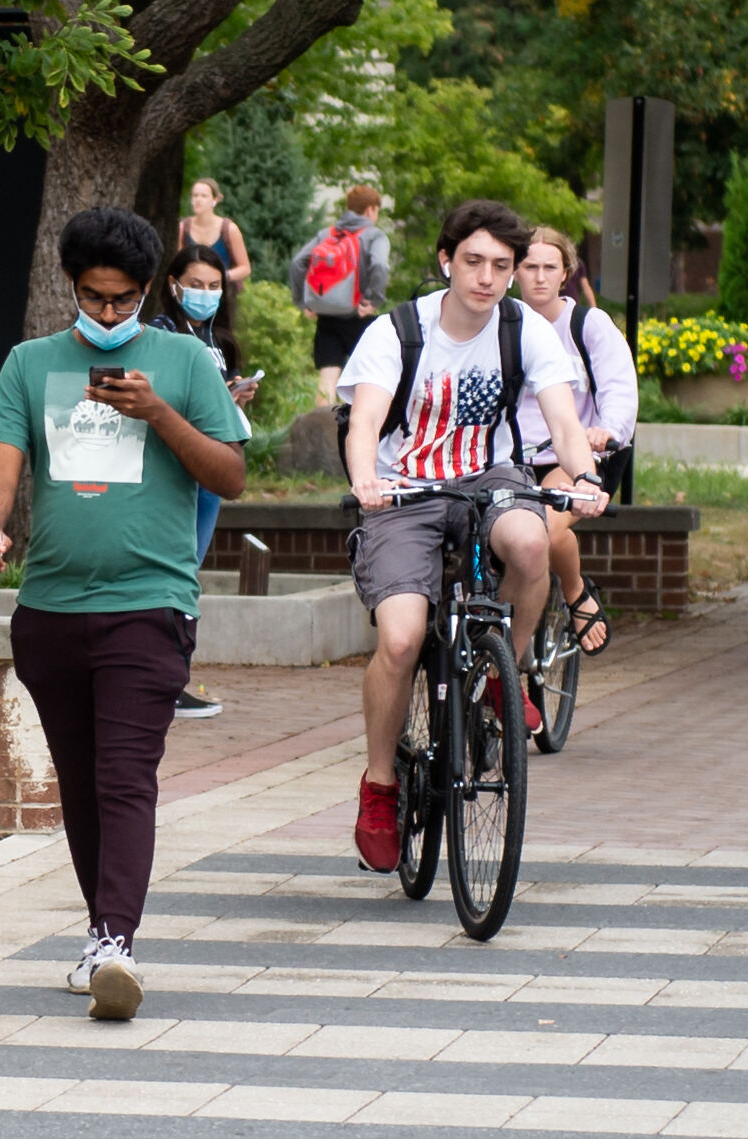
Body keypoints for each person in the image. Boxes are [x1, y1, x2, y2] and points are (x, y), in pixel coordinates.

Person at [0, 207, 247, 1019]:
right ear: (72, 286)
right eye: (93, 298)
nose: (107, 315)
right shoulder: (30, 363)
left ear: (148, 289)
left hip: (148, 604)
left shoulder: (186, 362)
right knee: (82, 785)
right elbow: (3, 455)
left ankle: (116, 942)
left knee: (126, 777)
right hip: (50, 607)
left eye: (123, 300)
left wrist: (158, 413)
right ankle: (102, 935)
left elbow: (228, 476)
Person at [339, 199, 607, 873]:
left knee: (530, 541)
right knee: (400, 637)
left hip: (488, 478)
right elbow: (364, 421)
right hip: (403, 489)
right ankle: (379, 785)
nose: (486, 278)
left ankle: (501, 671)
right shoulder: (398, 330)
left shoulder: (525, 330)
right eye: (473, 262)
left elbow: (564, 422)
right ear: (445, 260)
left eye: (500, 266)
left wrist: (583, 473)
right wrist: (365, 478)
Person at [513, 226, 638, 655]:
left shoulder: (588, 324)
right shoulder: (500, 324)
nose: (540, 277)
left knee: (543, 529)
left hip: (574, 454)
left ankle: (574, 590)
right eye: (530, 267)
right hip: (510, 458)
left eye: (550, 267)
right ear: (514, 271)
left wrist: (609, 430)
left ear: (566, 273)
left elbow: (619, 387)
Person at [150, 243, 259, 719]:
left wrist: (237, 396)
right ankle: (163, 681)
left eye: (214, 286)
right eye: (195, 284)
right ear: (173, 285)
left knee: (186, 572)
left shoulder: (220, 341)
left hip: (213, 472)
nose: (205, 294)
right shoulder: (161, 335)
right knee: (170, 573)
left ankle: (173, 679)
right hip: (175, 471)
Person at [291, 185, 391, 406]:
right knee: (366, 378)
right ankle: (361, 431)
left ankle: (323, 434)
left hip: (326, 315)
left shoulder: (328, 233)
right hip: (359, 314)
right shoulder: (375, 236)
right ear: (370, 210)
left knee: (327, 378)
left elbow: (298, 262)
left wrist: (303, 302)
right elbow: (381, 266)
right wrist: (374, 300)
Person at [177, 179, 251, 291]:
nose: (198, 200)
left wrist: (220, 277)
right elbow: (178, 264)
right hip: (191, 292)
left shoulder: (229, 229)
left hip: (222, 293)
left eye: (204, 196)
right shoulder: (183, 228)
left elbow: (245, 268)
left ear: (215, 200)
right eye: (195, 195)